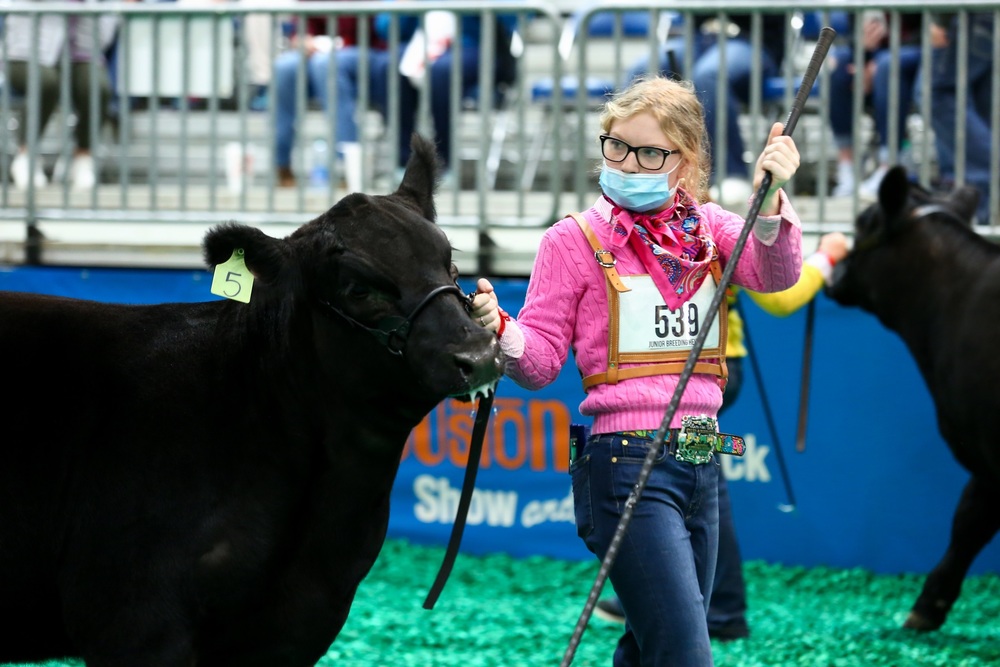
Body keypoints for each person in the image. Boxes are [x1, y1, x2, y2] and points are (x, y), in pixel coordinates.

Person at [469, 75, 803, 666]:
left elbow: (774, 275)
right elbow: (542, 362)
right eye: (615, 145)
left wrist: (771, 202)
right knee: (683, 652)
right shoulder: (571, 240)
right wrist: (500, 328)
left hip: (701, 453)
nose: (626, 162)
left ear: (685, 161)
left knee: (650, 644)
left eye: (649, 152)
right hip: (622, 463)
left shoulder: (714, 228)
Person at [591, 232, 851, 640]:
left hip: (701, 377)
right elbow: (782, 298)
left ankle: (719, 607)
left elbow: (781, 295)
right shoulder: (712, 227)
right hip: (706, 373)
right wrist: (827, 257)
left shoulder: (700, 229)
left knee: (690, 481)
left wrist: (824, 258)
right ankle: (715, 606)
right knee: (695, 477)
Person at [627, 14, 787, 206]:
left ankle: (730, 173)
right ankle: (633, 165)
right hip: (699, 37)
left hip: (752, 40)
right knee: (642, 69)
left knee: (709, 74)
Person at [272, 0, 389, 187]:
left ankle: (347, 167)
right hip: (320, 55)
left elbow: (379, 25)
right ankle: (281, 165)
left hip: (369, 52)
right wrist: (304, 40)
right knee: (284, 67)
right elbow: (301, 28)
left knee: (326, 64)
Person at [4, 0, 118, 191]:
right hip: (25, 53)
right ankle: (26, 156)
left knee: (97, 86)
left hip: (78, 54)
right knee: (46, 82)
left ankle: (82, 157)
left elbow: (104, 34)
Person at [828, 11, 923, 199]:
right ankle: (847, 165)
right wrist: (863, 56)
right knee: (839, 64)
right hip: (877, 54)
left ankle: (889, 166)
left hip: (915, 49)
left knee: (887, 67)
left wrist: (875, 65)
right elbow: (856, 32)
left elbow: (927, 27)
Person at [927, 12, 994, 224]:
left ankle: (986, 192)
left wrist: (941, 21)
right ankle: (984, 210)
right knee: (980, 105)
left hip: (969, 17)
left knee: (935, 93)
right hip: (985, 18)